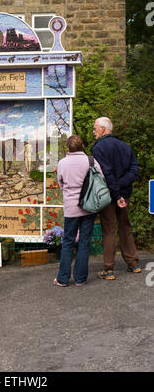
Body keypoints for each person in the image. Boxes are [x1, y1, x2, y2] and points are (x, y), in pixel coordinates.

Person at [91, 117, 141, 280]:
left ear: (103, 130)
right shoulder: (125, 146)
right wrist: (121, 188)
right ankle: (133, 264)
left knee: (109, 229)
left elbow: (106, 173)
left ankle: (109, 268)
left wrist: (116, 192)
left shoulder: (98, 148)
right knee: (125, 226)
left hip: (108, 194)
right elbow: (134, 170)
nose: (94, 132)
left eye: (95, 129)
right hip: (124, 194)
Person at [54, 135, 103, 287]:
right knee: (84, 242)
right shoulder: (91, 161)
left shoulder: (62, 163)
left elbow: (60, 183)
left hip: (71, 208)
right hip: (89, 207)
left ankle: (63, 279)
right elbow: (101, 179)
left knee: (68, 242)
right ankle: (81, 279)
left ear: (67, 148)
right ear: (82, 146)